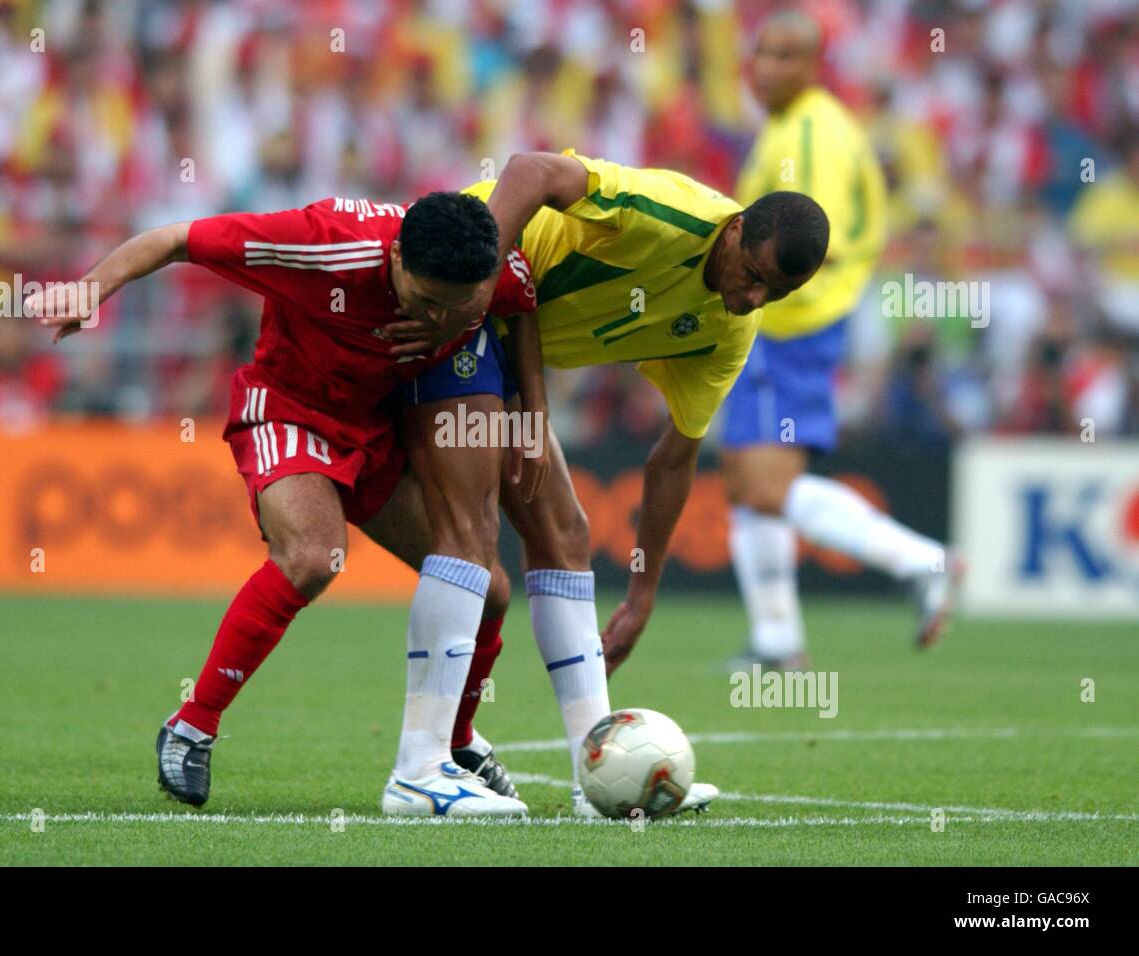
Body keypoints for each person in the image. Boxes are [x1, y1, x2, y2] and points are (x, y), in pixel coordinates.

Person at [28, 191, 539, 817]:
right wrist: (91, 290)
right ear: (398, 254)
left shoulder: (490, 273)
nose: (438, 318)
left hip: (374, 435)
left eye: (456, 308)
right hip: (290, 411)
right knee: (314, 556)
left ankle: (454, 745)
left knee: (486, 588)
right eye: (426, 301)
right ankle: (192, 725)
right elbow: (174, 238)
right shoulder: (322, 242)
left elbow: (528, 305)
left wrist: (532, 420)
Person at [381, 148, 829, 814]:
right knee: (472, 529)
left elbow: (672, 458)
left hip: (510, 336)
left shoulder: (728, 332)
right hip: (466, 284)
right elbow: (531, 170)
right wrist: (472, 286)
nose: (754, 298)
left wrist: (643, 595)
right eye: (754, 274)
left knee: (565, 536)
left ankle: (595, 778)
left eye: (776, 294)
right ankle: (417, 770)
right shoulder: (669, 215)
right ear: (734, 231)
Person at [719, 10, 956, 671]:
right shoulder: (797, 127)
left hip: (793, 323)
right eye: (761, 54)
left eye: (786, 56)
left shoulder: (812, 135)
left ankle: (923, 561)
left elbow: (801, 244)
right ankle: (775, 640)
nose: (767, 68)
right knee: (742, 476)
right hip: (785, 324)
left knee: (765, 483)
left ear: (815, 66)